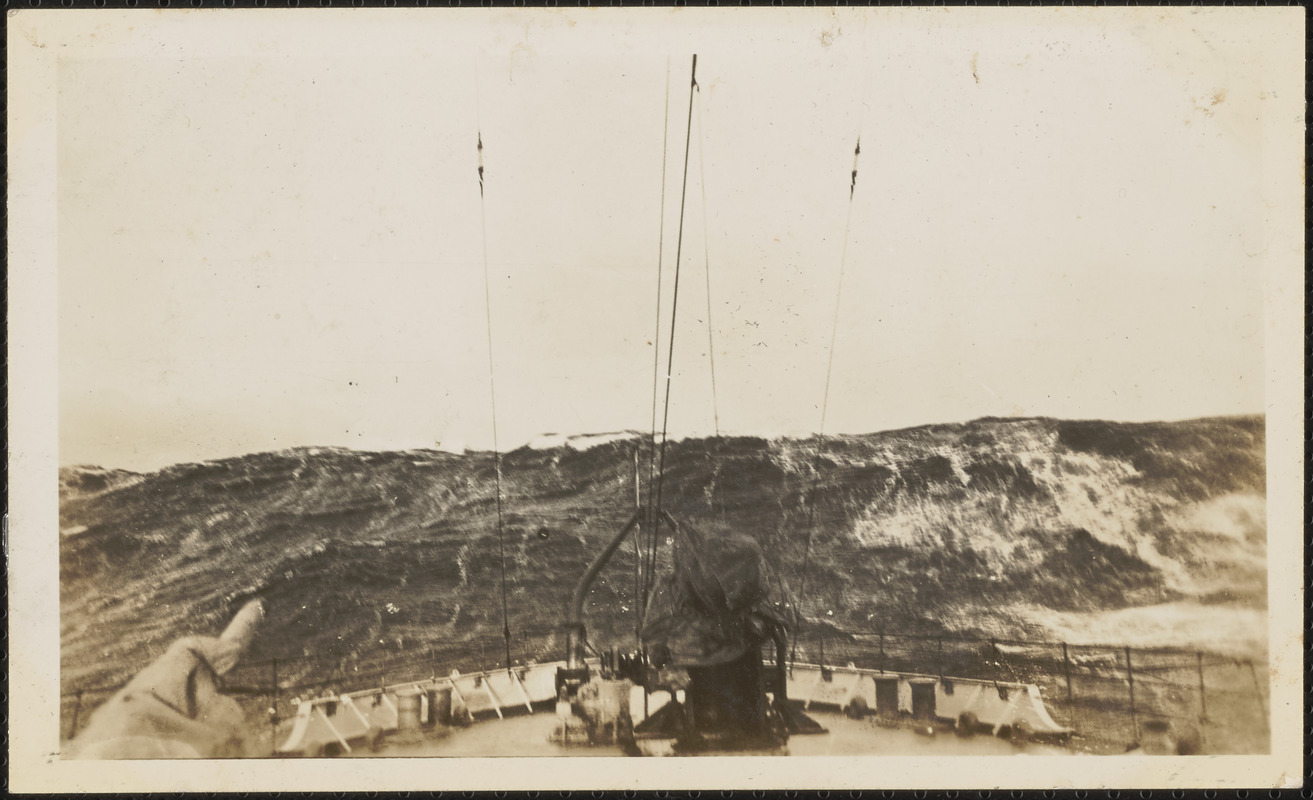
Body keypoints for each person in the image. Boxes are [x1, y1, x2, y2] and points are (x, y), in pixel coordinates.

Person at [66, 600, 264, 759]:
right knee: (221, 741)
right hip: (144, 711)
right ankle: (260, 603)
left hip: (119, 715)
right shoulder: (192, 654)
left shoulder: (183, 665)